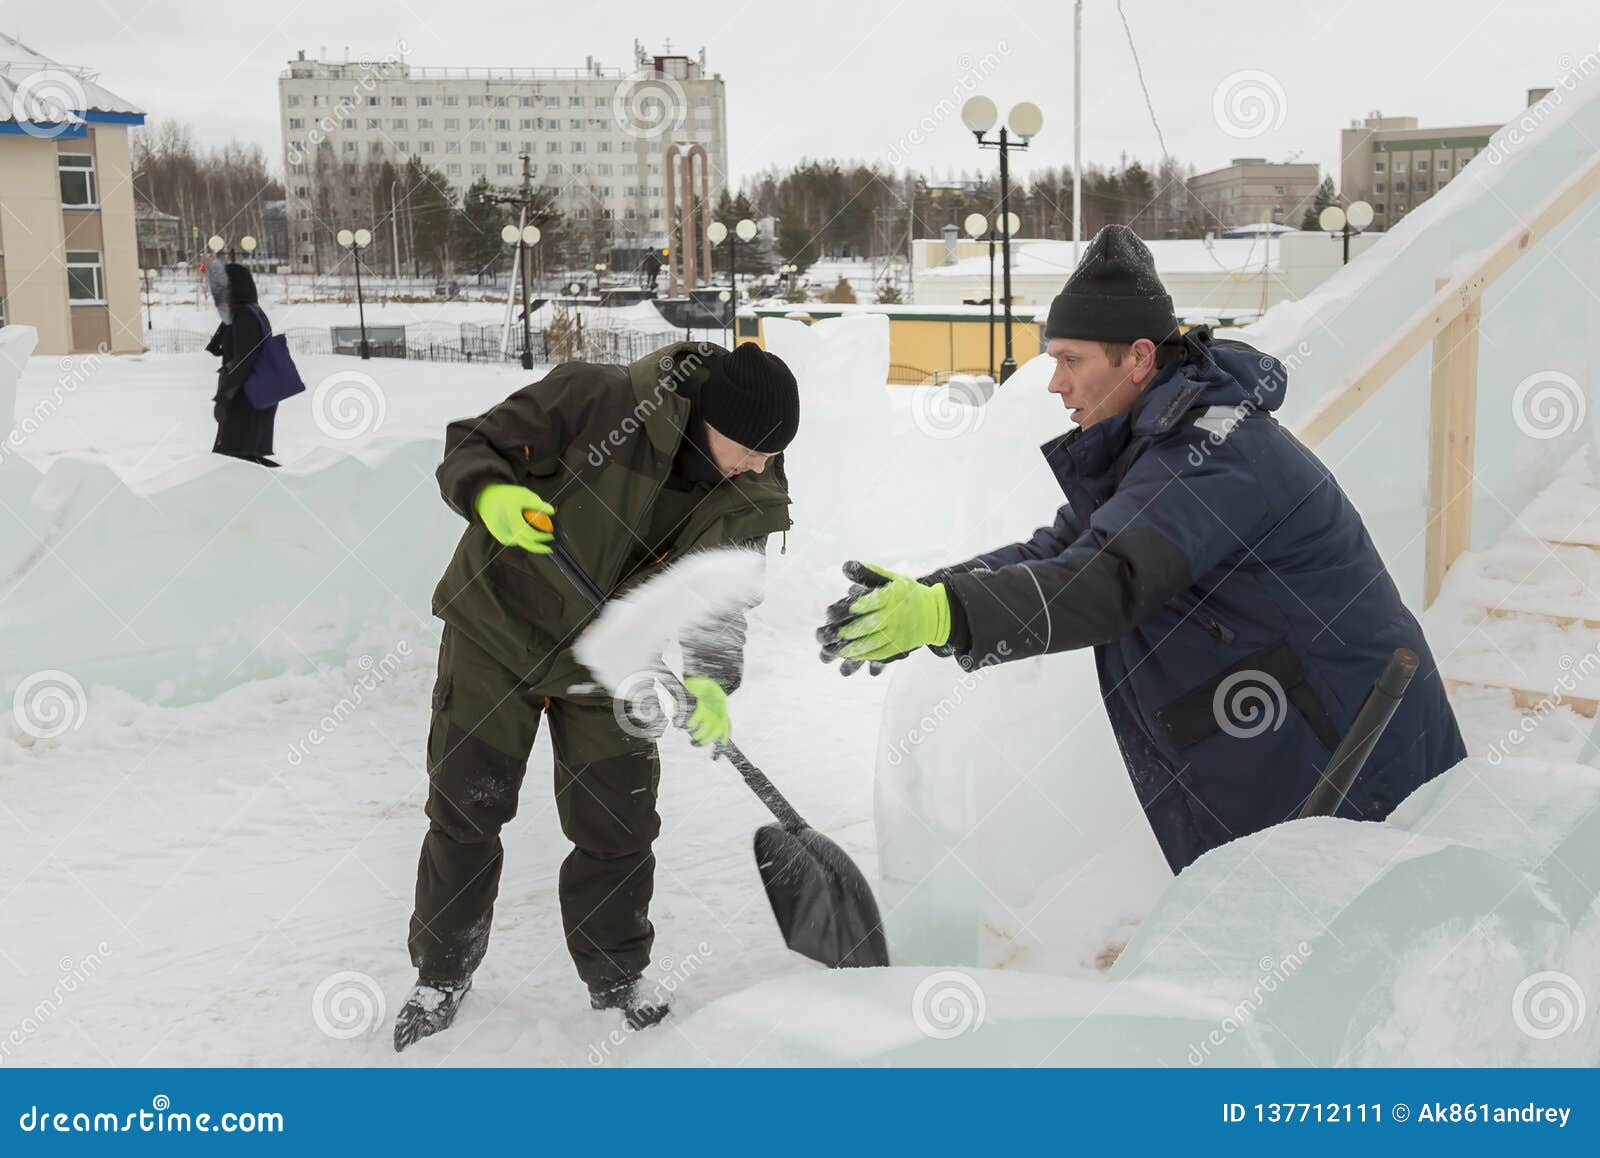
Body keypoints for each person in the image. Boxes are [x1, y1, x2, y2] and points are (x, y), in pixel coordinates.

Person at [818, 224, 1466, 875]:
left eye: (1072, 361)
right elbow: (1065, 547)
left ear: (1136, 359)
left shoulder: (1216, 449)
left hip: (1355, 747)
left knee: (1361, 944)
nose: (1054, 383)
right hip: (1297, 738)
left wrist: (945, 613)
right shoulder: (1158, 442)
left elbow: (1112, 580)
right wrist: (932, 594)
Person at [396, 340, 800, 1051]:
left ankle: (616, 975)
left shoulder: (754, 480)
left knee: (618, 824)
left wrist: (709, 678)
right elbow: (473, 443)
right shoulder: (600, 400)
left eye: (771, 457)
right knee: (468, 809)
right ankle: (441, 973)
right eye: (747, 450)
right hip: (500, 629)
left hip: (616, 657)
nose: (758, 468)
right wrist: (492, 494)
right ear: (707, 417)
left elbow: (719, 596)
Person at [204, 262, 279, 467]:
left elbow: (244, 360)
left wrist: (224, 397)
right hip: (252, 395)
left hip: (246, 398)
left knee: (235, 459)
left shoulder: (244, 315)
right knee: (242, 458)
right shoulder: (248, 311)